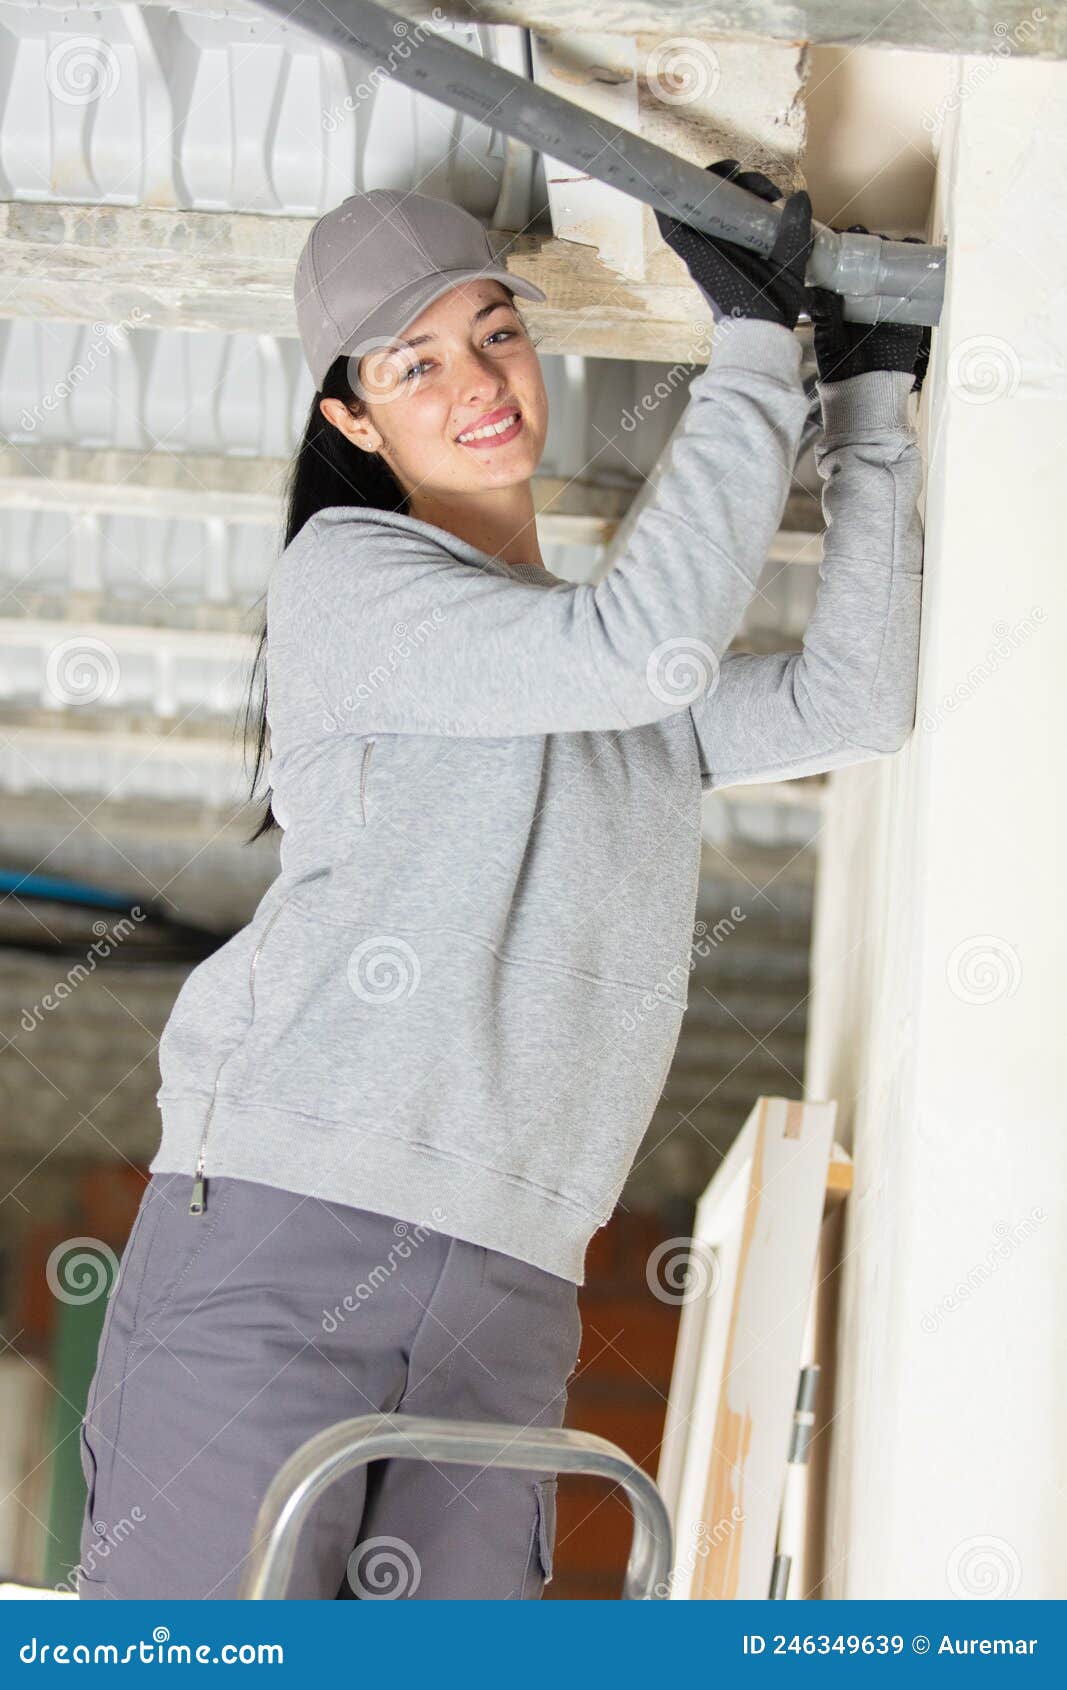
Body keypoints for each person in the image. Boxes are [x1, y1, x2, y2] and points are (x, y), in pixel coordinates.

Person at [76, 169, 928, 1600]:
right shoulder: (346, 581)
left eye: (493, 334)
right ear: (353, 421)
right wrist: (752, 346)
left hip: (511, 1279)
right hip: (283, 1238)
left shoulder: (596, 674)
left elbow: (857, 700)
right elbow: (646, 648)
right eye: (413, 365)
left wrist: (870, 401)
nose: (475, 382)